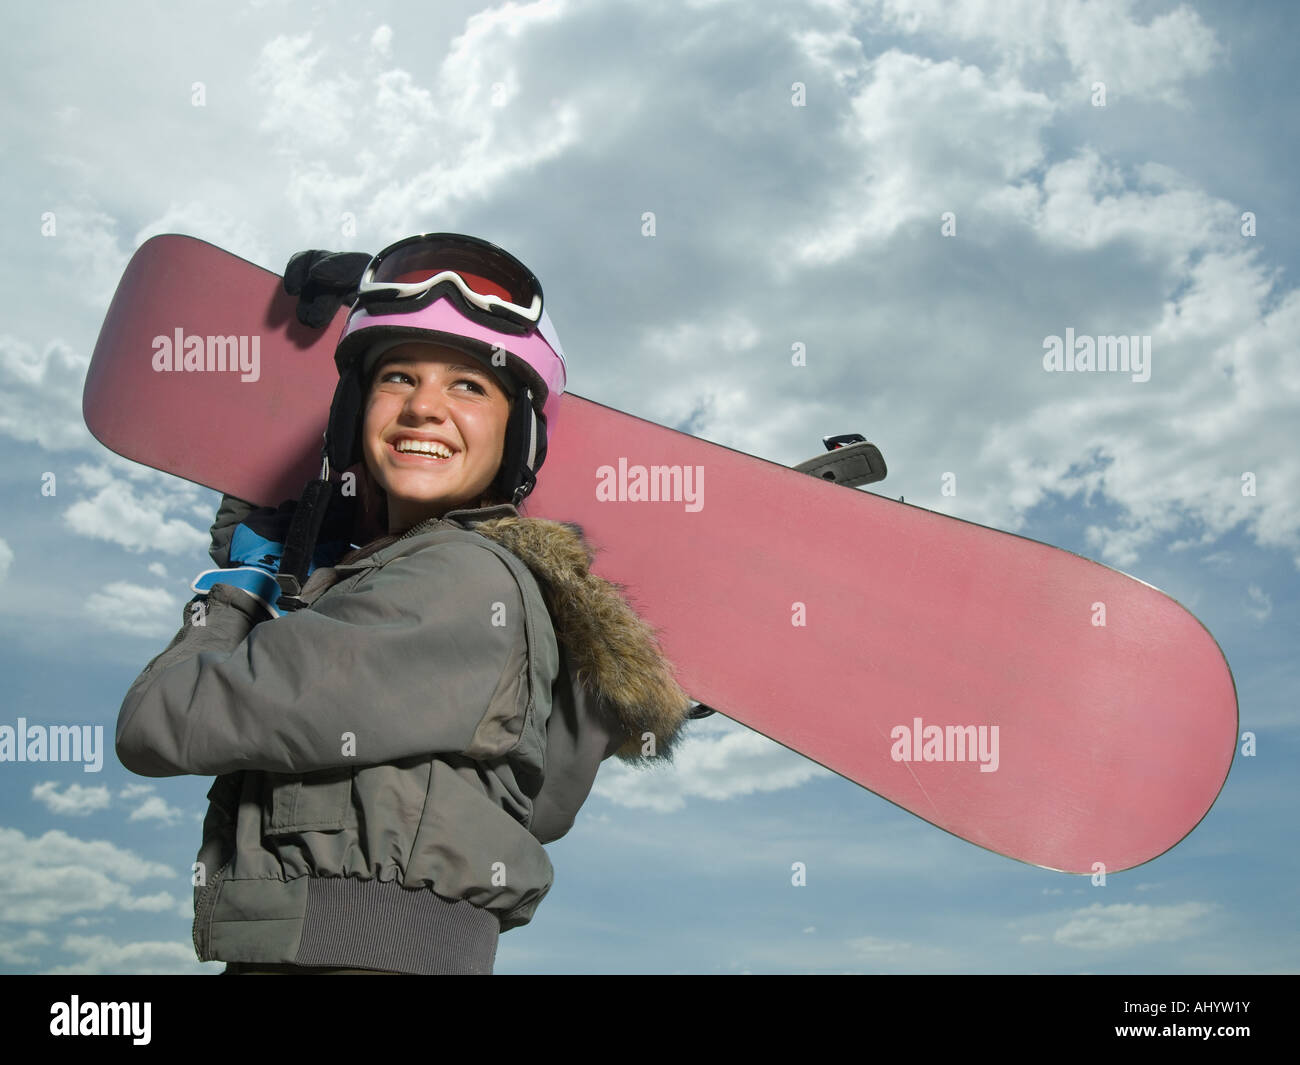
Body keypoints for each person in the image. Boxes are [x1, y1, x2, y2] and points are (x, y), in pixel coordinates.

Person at [114, 233, 694, 974]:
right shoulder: (462, 590)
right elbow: (540, 810)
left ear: (516, 434)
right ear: (356, 409)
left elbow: (160, 720)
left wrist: (237, 590)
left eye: (468, 385)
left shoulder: (455, 580)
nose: (423, 407)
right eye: (395, 377)